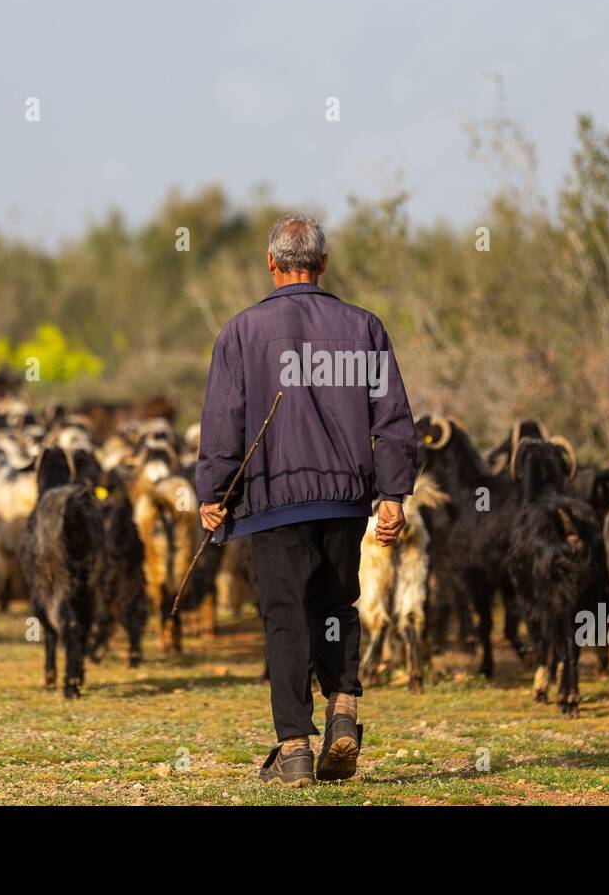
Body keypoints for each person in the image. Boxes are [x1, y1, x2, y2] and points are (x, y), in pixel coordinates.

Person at [196, 214, 417, 788]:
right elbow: (391, 418)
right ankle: (344, 709)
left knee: (285, 620)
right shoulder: (364, 327)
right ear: (323, 263)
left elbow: (224, 423)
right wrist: (392, 494)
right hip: (345, 502)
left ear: (272, 264)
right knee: (338, 609)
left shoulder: (240, 333)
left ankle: (294, 750)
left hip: (272, 502)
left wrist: (213, 494)